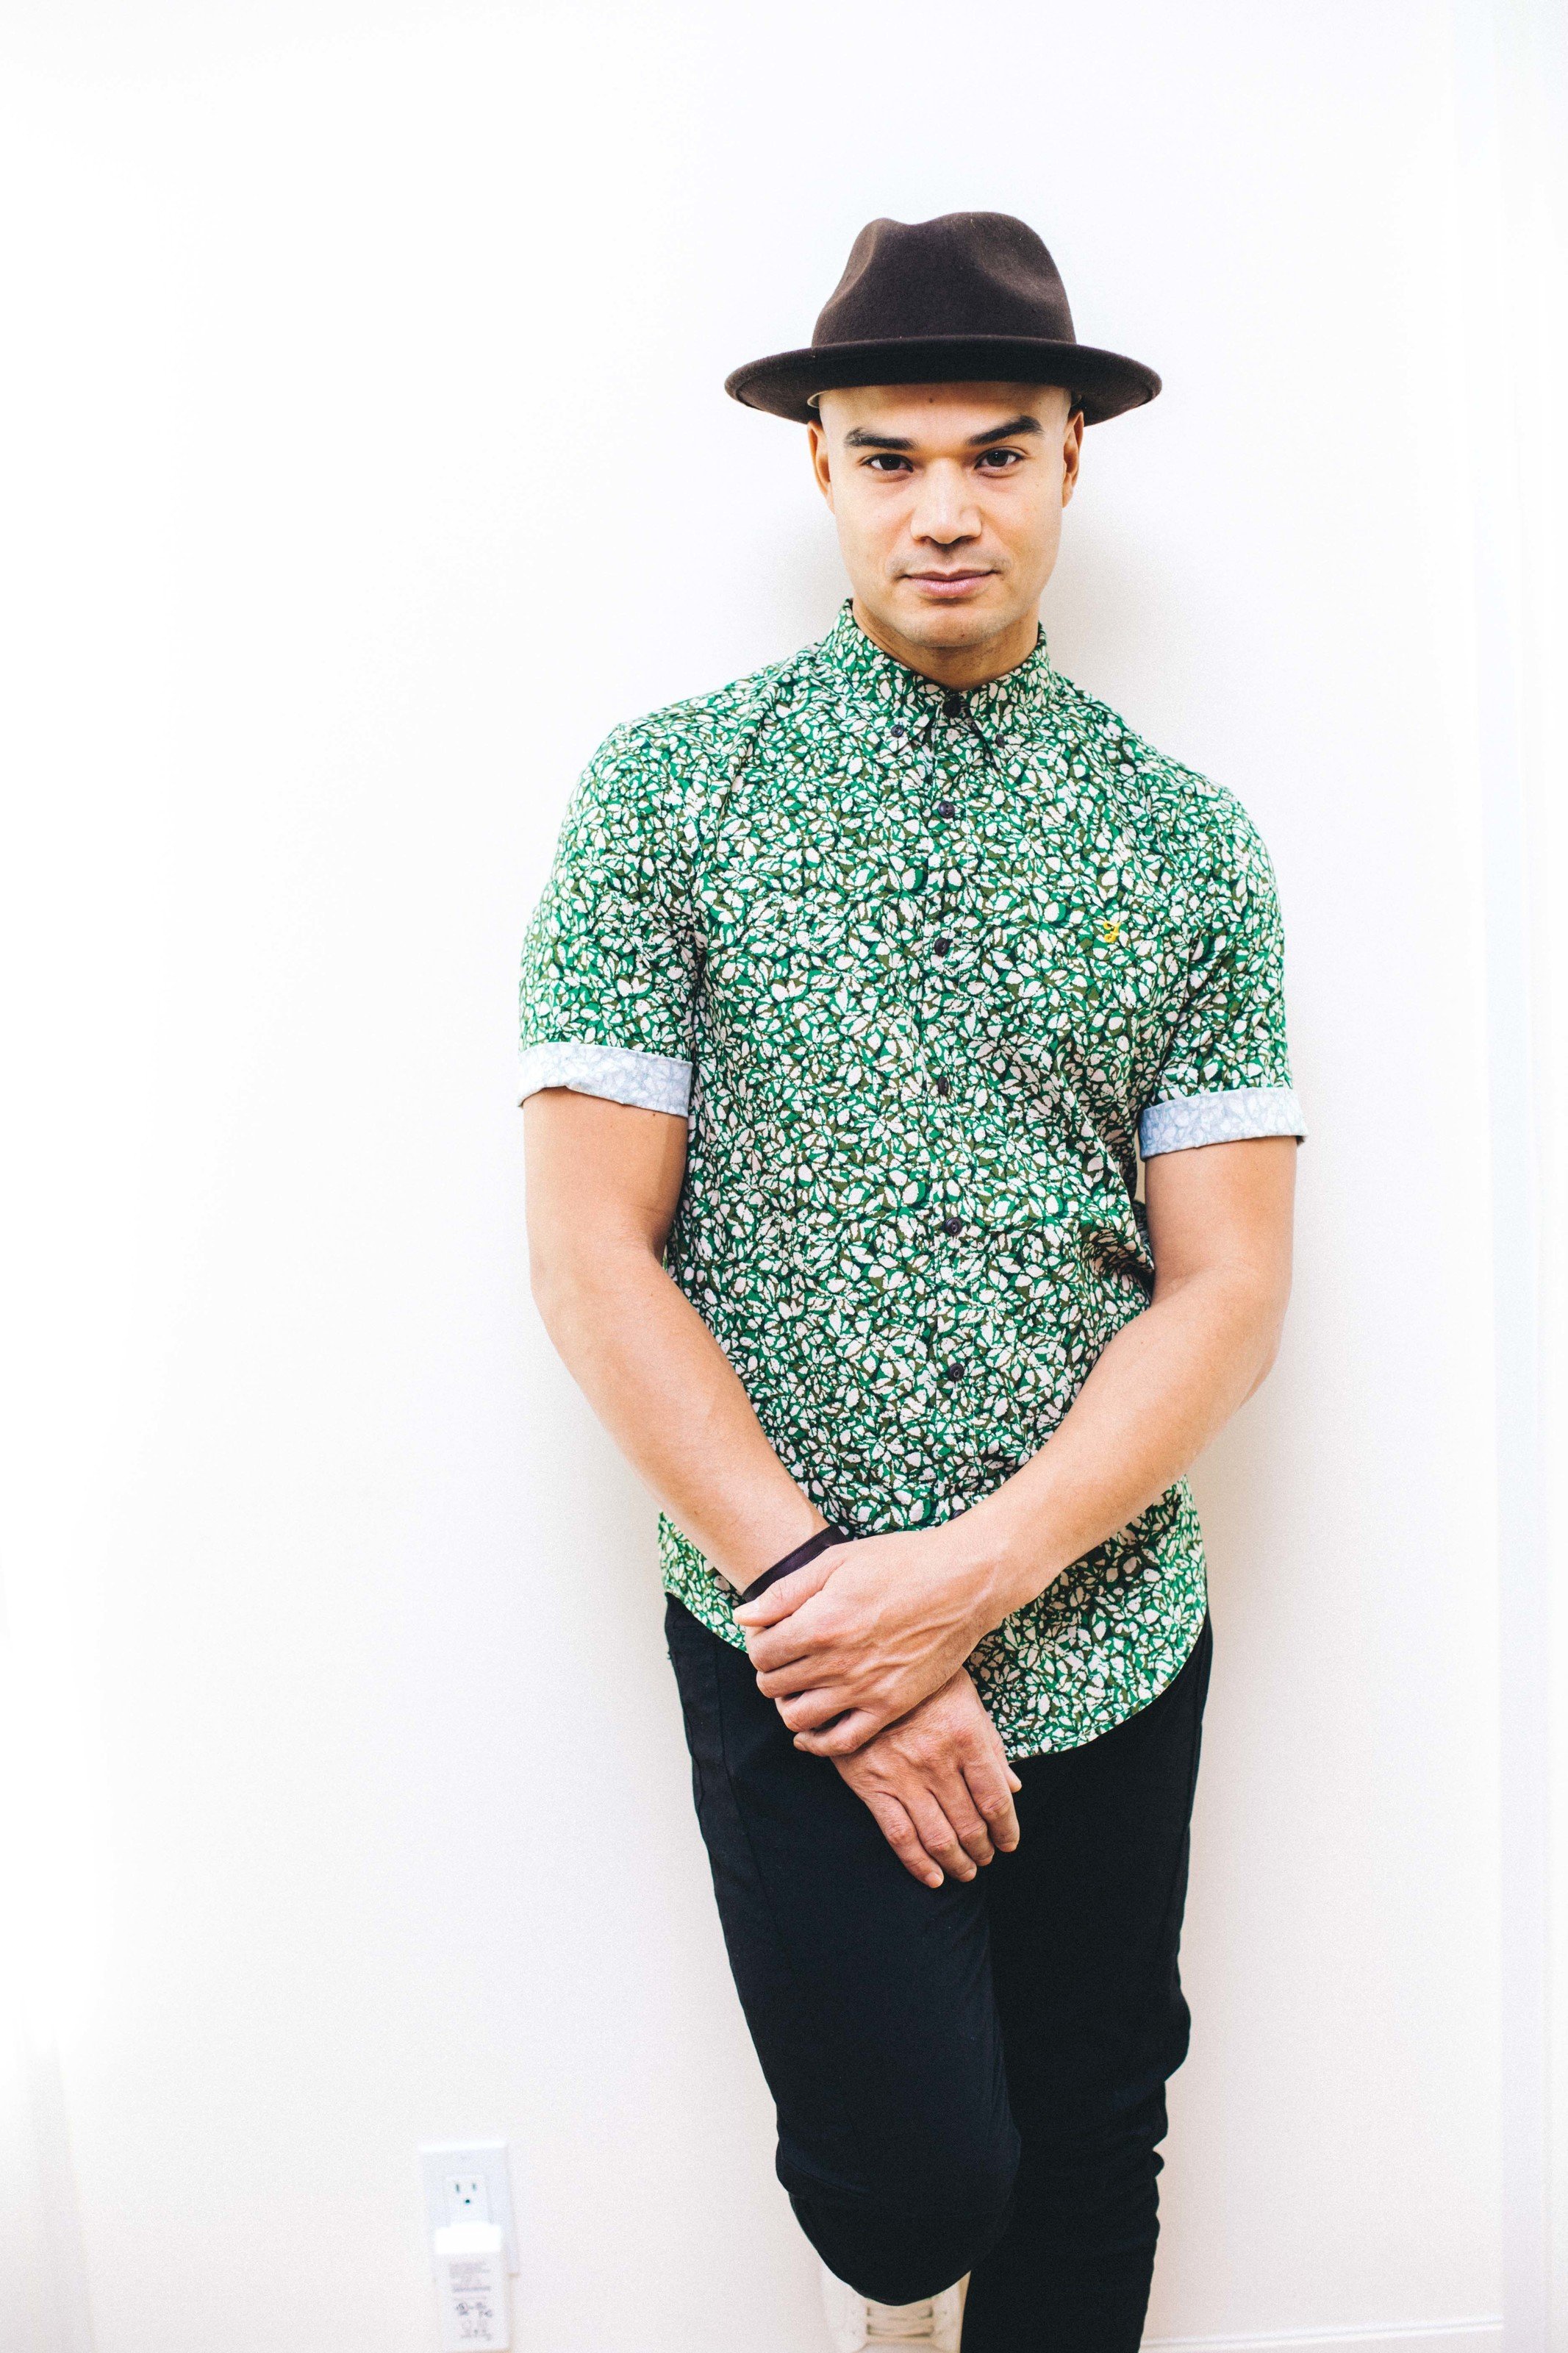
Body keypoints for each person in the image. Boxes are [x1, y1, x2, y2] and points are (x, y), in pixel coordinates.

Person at [517, 211, 1303, 2353]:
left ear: (1071, 460)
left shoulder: (1191, 842)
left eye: (995, 453)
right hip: (786, 1624)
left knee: (1093, 2137)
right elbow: (590, 1249)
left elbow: (1228, 1289)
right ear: (823, 467)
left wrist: (971, 1581)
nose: (944, 508)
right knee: (911, 2188)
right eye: (890, 458)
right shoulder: (666, 798)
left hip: (1104, 1624)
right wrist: (834, 1609)